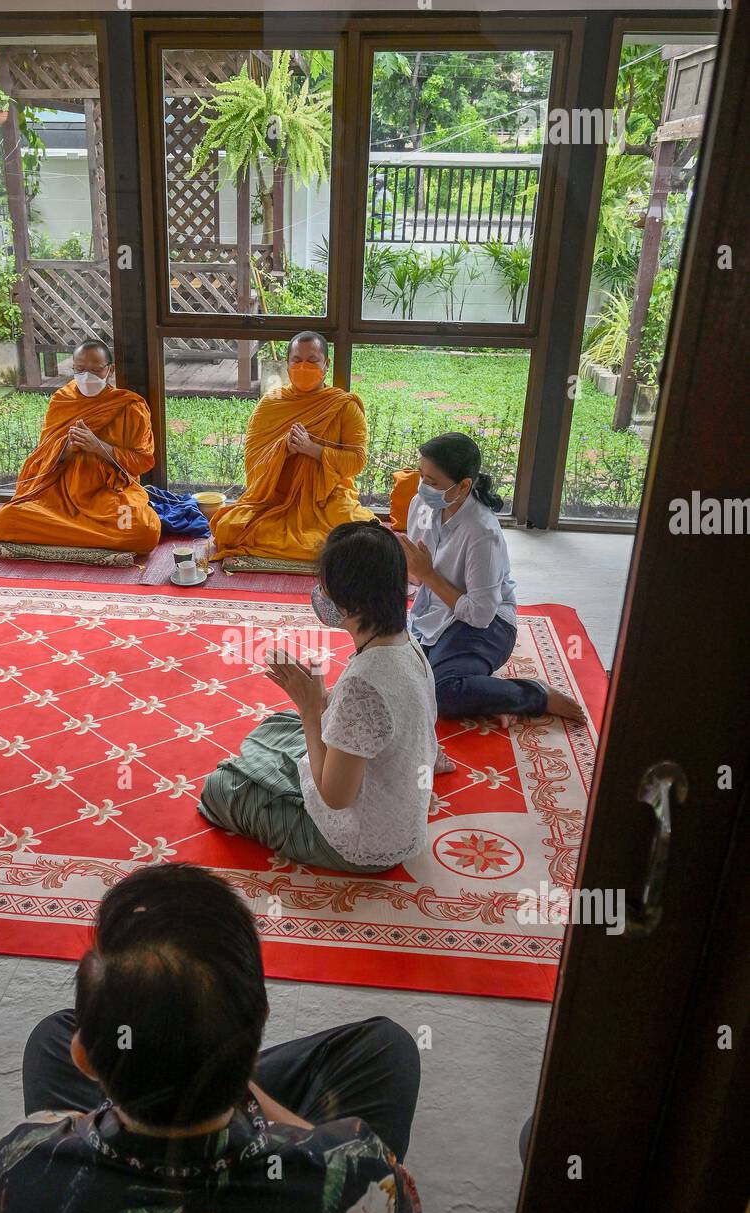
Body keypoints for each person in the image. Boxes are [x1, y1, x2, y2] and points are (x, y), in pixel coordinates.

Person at [0, 864, 422, 1213]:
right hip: (245, 1118)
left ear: (85, 1058)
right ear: (261, 1019)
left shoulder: (14, 1168)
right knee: (388, 1049)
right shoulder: (368, 1185)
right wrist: (231, 1075)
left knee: (51, 1032)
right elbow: (364, 1189)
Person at [200, 522, 439, 872]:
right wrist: (321, 703)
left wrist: (311, 709)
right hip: (400, 815)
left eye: (325, 589)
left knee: (220, 788)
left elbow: (335, 797)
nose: (320, 596)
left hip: (362, 844)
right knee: (279, 725)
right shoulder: (408, 644)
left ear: (350, 602)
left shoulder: (365, 683)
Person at [397, 433, 585, 725]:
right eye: (422, 476)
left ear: (463, 486)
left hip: (488, 625)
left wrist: (427, 574)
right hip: (437, 613)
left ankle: (535, 695)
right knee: (398, 672)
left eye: (432, 482)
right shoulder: (421, 506)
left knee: (443, 691)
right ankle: (486, 696)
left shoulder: (481, 532)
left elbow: (480, 614)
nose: (423, 487)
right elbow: (417, 577)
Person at [210, 331, 375, 564]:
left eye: (312, 361)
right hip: (277, 498)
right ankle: (329, 551)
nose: (303, 367)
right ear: (287, 365)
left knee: (363, 533)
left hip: (326, 498)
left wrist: (312, 449)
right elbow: (253, 465)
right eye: (297, 361)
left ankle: (329, 546)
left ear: (326, 364)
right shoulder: (271, 404)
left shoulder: (344, 406)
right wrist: (283, 449)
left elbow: (357, 461)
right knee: (228, 528)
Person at [0, 339, 160, 553]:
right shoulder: (62, 400)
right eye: (80, 369)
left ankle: (66, 534)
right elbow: (41, 457)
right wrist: (66, 448)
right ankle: (93, 536)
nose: (87, 376)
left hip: (107, 496)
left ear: (110, 369)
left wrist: (100, 447)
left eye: (96, 370)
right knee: (8, 519)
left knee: (142, 530)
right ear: (73, 369)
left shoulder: (130, 406)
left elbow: (142, 462)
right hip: (58, 494)